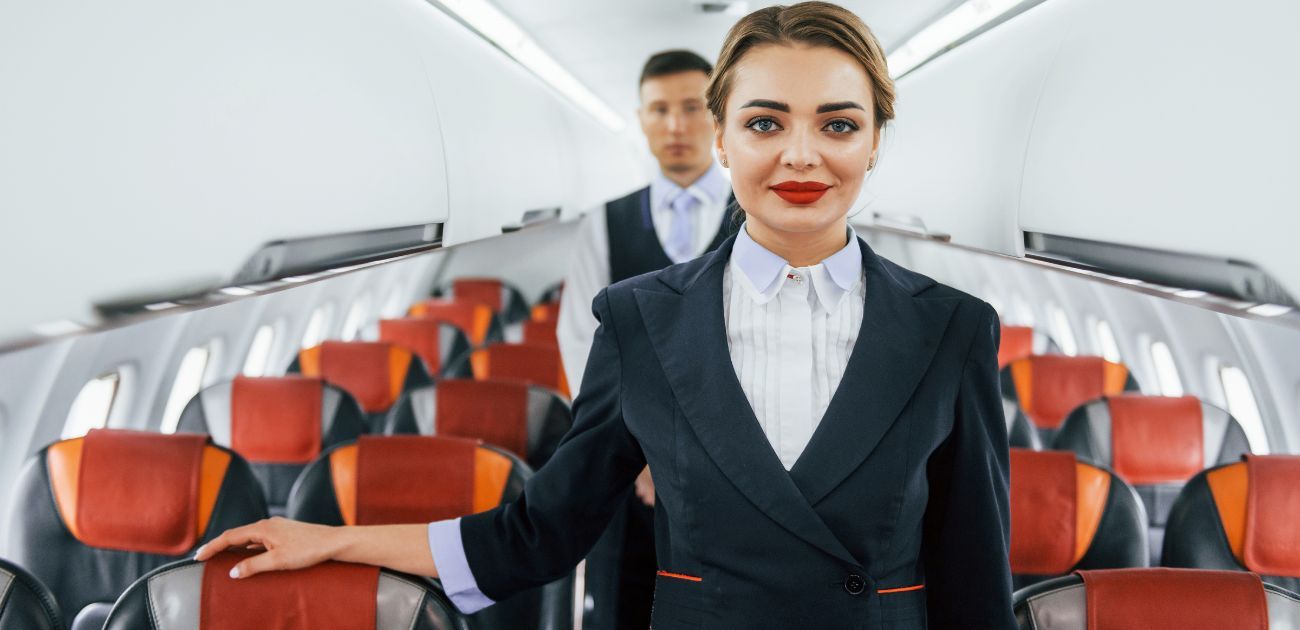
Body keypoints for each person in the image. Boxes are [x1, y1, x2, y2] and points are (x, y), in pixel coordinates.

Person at [196, 3, 1016, 628]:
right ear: (722, 139)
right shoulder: (640, 321)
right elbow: (537, 534)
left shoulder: (952, 329)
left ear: (875, 142)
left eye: (838, 124)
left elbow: (976, 580)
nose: (801, 154)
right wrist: (331, 538)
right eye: (765, 122)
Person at [557, 48, 735, 630]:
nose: (675, 125)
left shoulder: (758, 216)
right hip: (628, 464)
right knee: (627, 599)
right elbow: (580, 341)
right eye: (660, 110)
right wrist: (636, 451)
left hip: (737, 462)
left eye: (692, 107)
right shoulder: (603, 223)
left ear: (718, 115)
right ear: (641, 120)